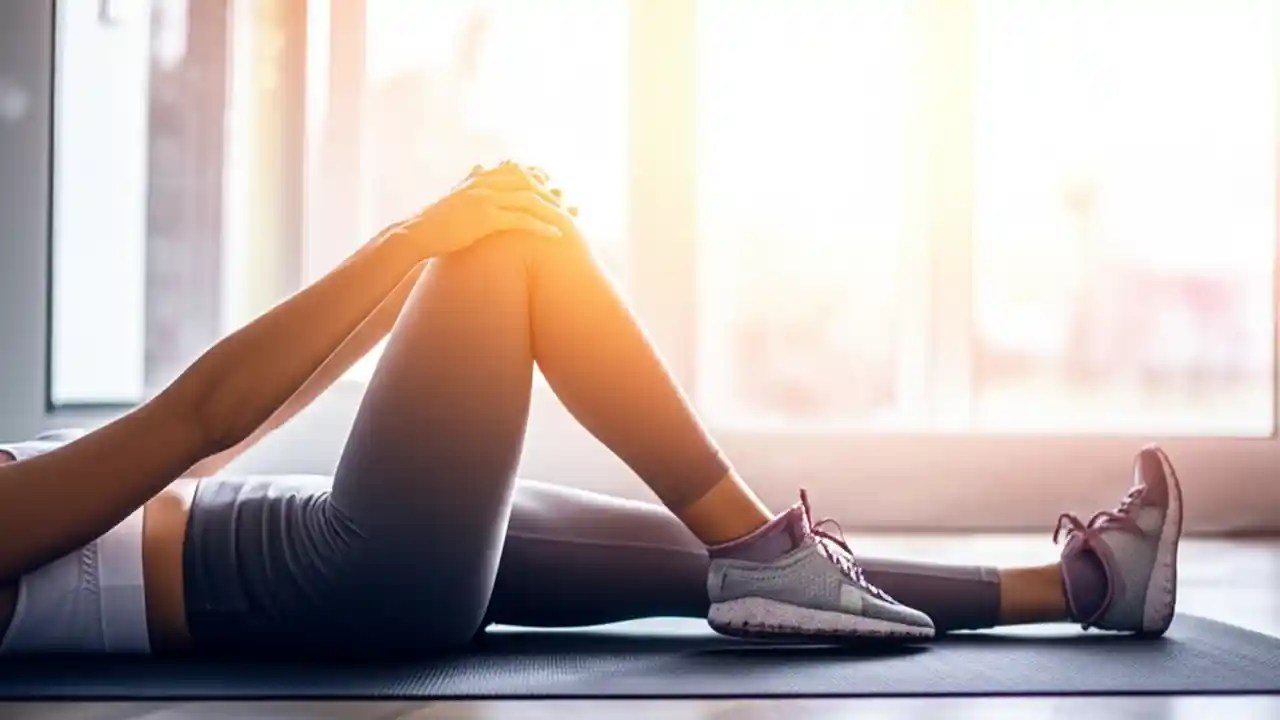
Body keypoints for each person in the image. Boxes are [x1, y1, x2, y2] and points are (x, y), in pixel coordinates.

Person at [0, 163, 1181, 656]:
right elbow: (200, 413)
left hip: (314, 537)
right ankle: (757, 549)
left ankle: (1086, 590)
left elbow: (239, 419)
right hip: (331, 571)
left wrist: (406, 255)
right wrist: (419, 245)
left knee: (717, 573)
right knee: (507, 257)